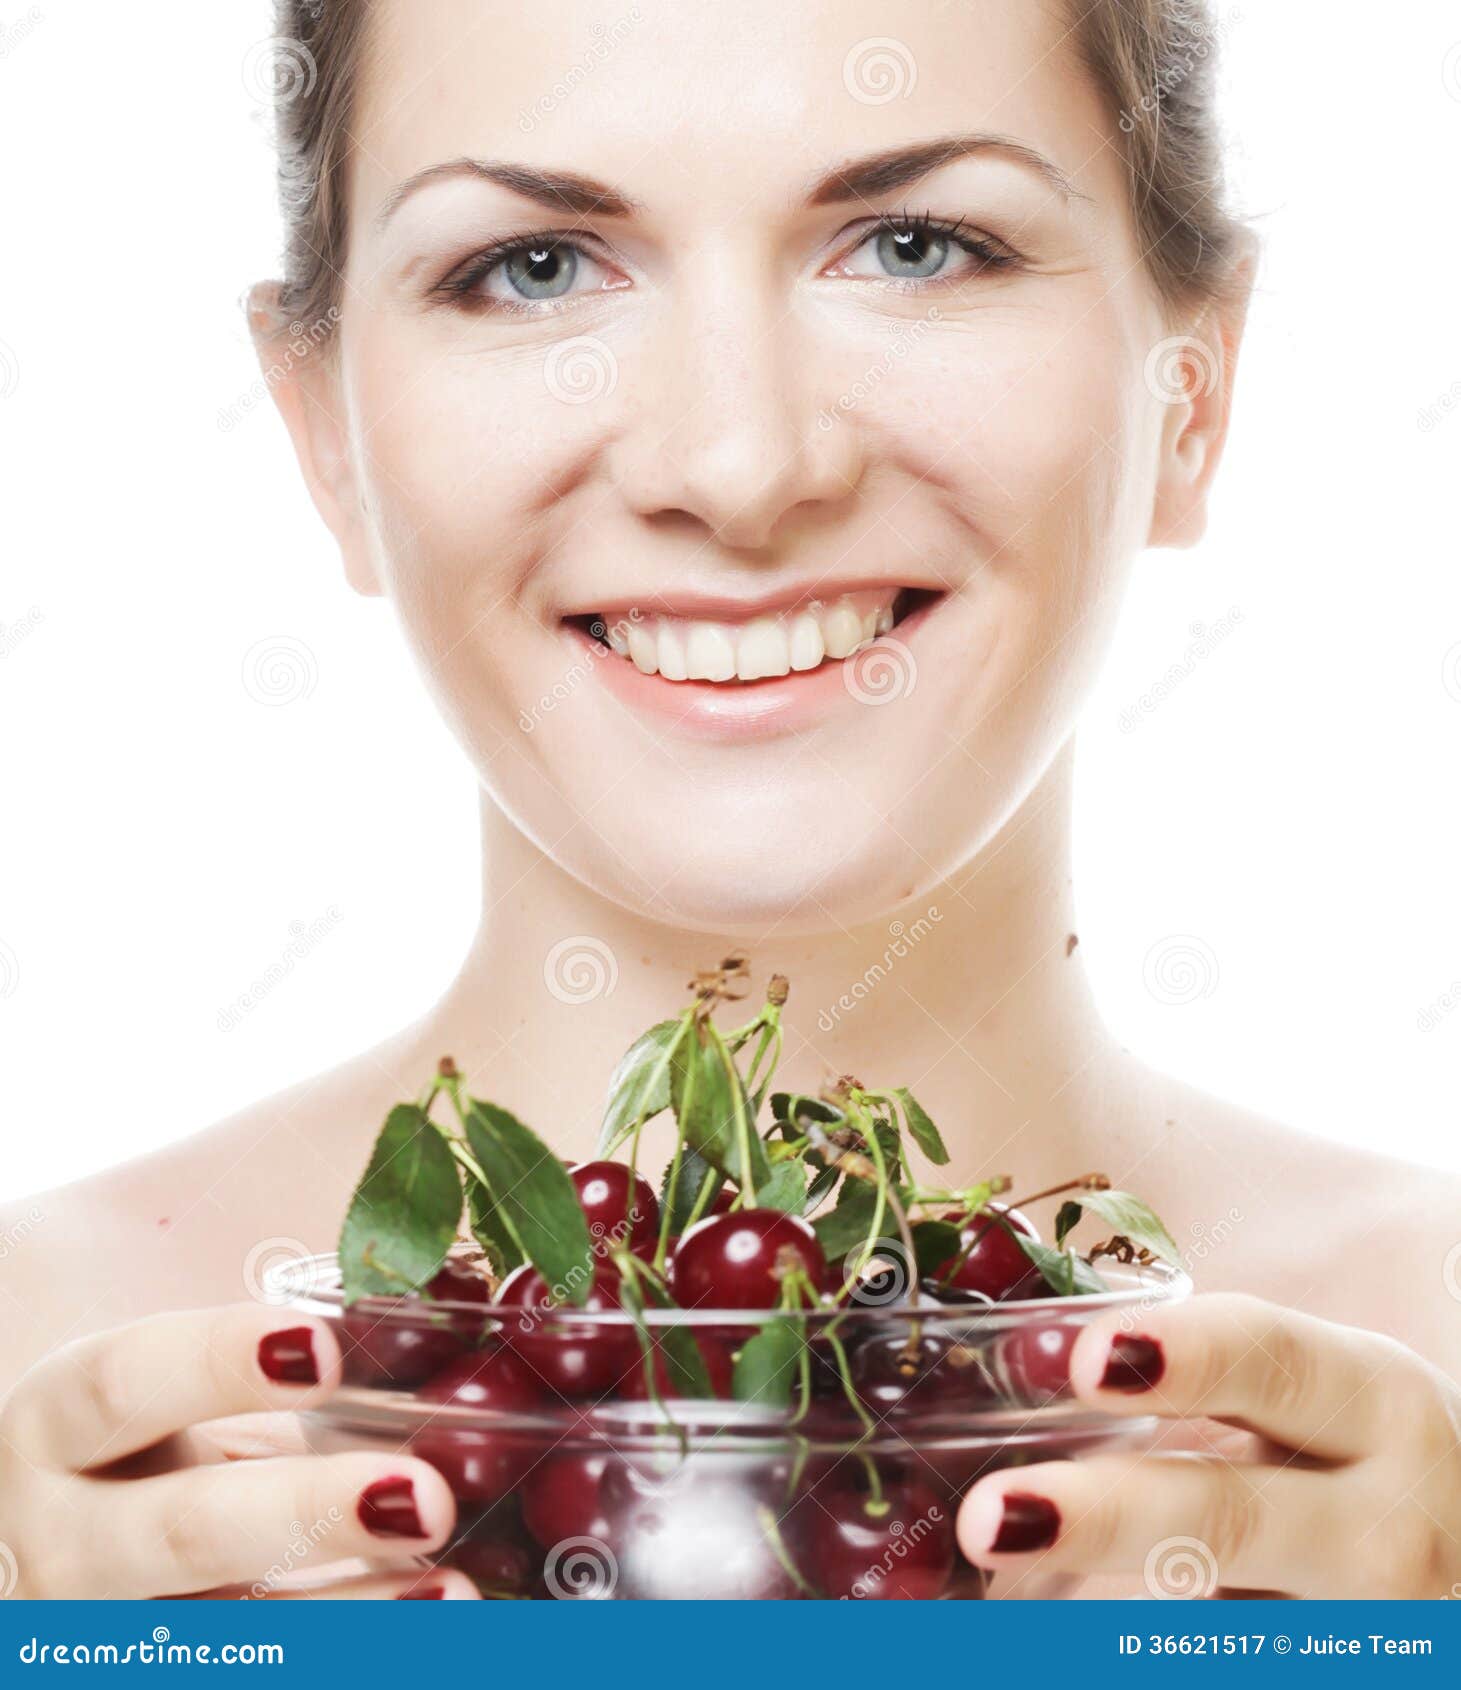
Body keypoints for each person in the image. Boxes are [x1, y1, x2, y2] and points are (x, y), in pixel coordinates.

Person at [2, 0, 1457, 1601]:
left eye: (916, 245)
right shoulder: (45, 1400)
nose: (740, 461)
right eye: (535, 266)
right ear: (322, 435)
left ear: (1193, 390)